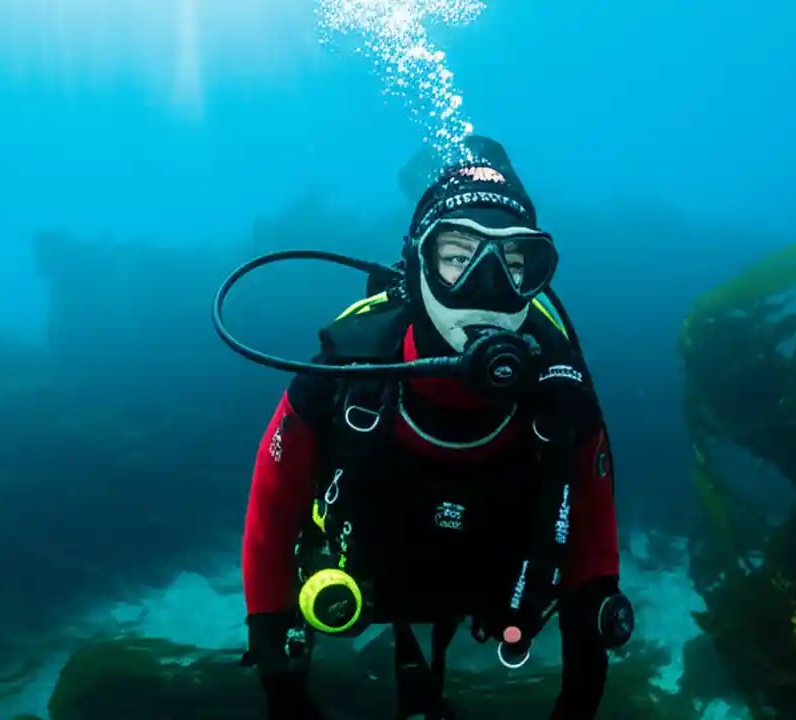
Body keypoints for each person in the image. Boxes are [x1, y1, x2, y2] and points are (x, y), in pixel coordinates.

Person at [236, 136, 633, 719]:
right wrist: (280, 676)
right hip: (368, 583)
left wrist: (579, 698)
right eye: (457, 256)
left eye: (517, 263)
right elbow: (270, 511)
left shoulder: (561, 394)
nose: (490, 287)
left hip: (493, 595)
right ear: (416, 266)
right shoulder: (345, 376)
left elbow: (593, 541)